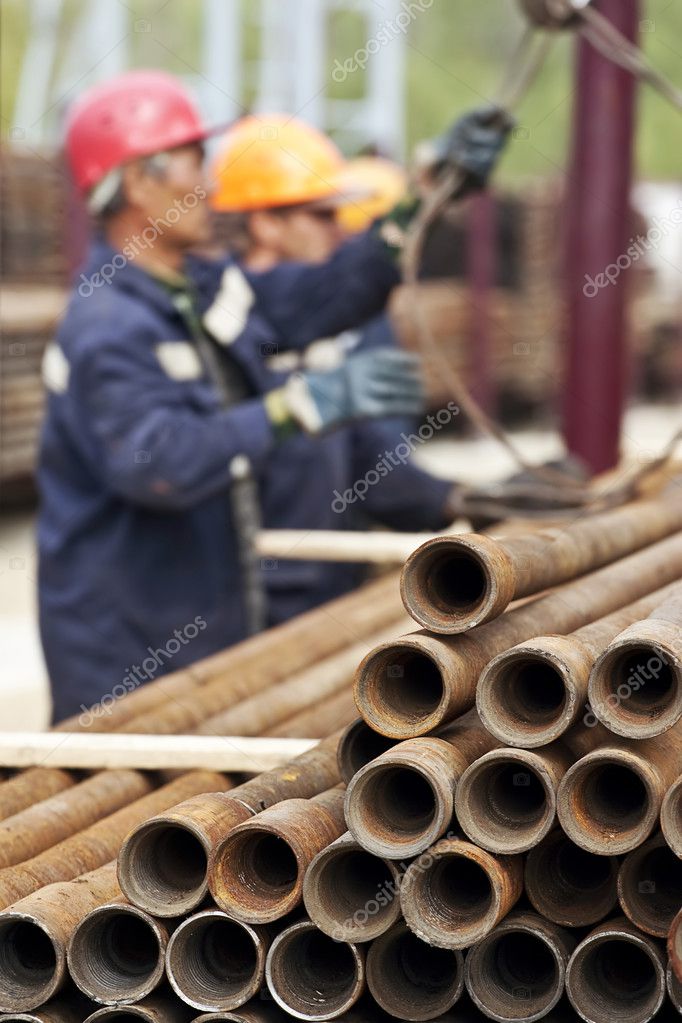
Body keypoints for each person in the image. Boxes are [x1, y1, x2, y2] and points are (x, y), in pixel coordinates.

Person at [38, 70, 510, 721]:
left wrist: (426, 197)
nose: (208, 184)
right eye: (193, 162)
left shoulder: (201, 289)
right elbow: (158, 464)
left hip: (201, 638)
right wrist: (298, 406)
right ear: (139, 182)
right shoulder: (109, 325)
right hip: (125, 660)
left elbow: (321, 296)